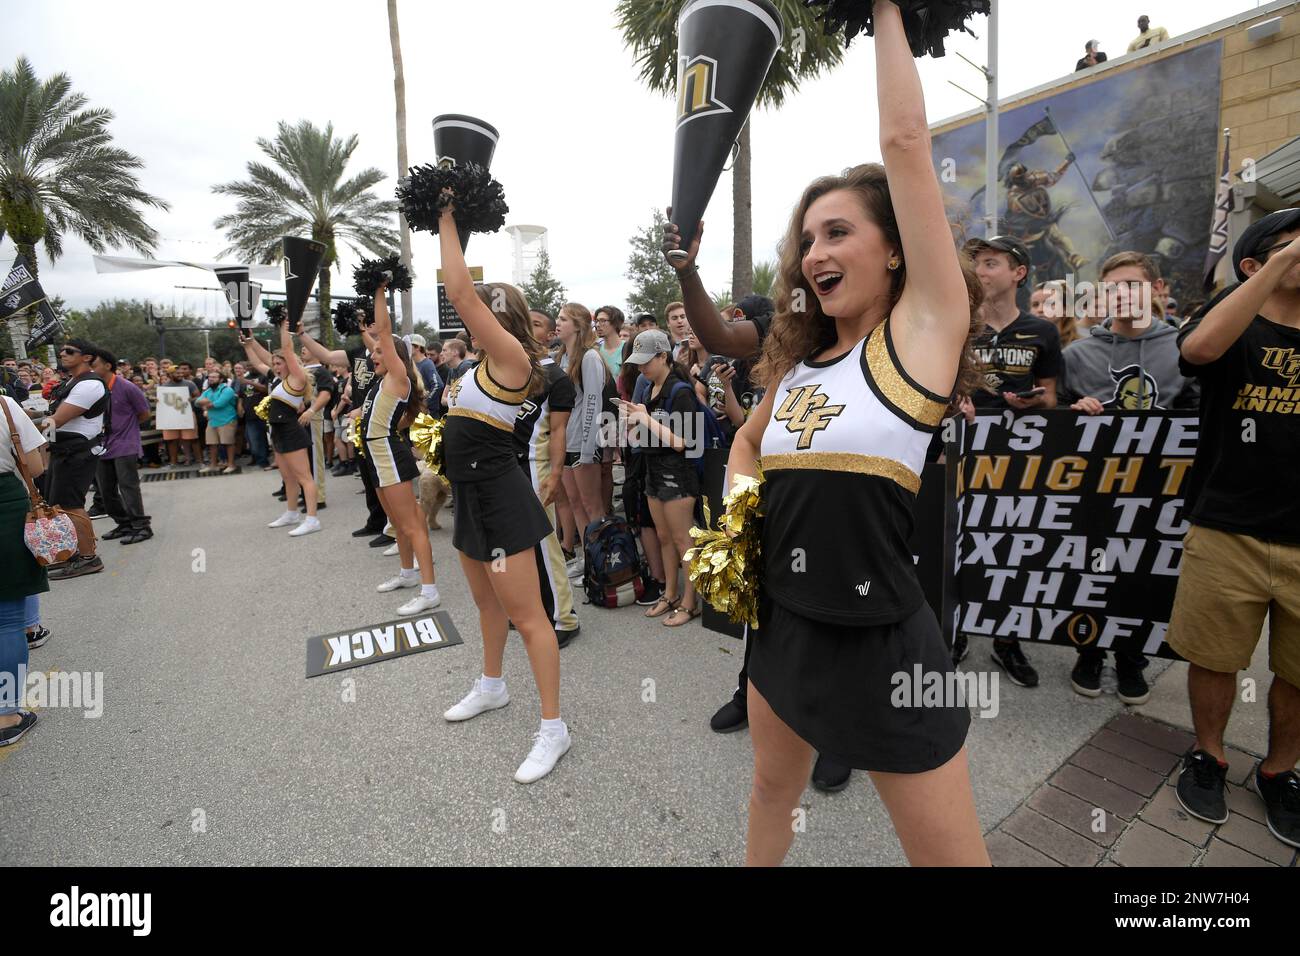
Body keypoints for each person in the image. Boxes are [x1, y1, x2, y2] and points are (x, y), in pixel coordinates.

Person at [669, 4, 988, 866]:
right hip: (782, 626)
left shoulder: (923, 333)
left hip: (884, 642)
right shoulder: (801, 367)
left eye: (838, 231)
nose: (814, 252)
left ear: (894, 251)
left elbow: (907, 141)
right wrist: (740, 526)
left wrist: (884, 7)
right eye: (807, 238)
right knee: (772, 791)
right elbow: (745, 447)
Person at [1168, 209, 1300, 849]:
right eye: (1286, 245)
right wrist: (1277, 268)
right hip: (1228, 527)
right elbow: (1197, 350)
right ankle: (1209, 755)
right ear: (1253, 264)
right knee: (1215, 658)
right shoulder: (1234, 322)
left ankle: (1279, 770)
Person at [436, 198, 569, 785]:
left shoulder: (513, 358)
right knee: (486, 606)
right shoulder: (475, 369)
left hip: (501, 498)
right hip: (467, 494)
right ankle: (491, 686)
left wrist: (446, 219)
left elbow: (461, 293)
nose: (472, 319)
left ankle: (553, 728)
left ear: (502, 319)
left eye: (485, 313)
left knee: (529, 617)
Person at [1061, 251, 1198, 705]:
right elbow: (1052, 428)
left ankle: (1131, 657)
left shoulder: (1187, 348)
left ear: (1157, 290)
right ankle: (1089, 650)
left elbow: (1198, 413)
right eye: (1112, 287)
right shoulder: (1078, 355)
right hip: (1095, 487)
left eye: (1133, 285)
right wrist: (1073, 413)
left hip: (1159, 491)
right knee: (1091, 566)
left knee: (1142, 572)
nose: (1122, 295)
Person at [956, 235, 1062, 683]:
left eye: (991, 262)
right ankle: (956, 629)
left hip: (1021, 456)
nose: (981, 270)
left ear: (1018, 273)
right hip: (967, 452)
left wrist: (1034, 402)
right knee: (960, 541)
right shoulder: (959, 325)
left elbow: (1053, 398)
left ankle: (1007, 641)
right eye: (977, 262)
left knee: (1013, 544)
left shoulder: (1042, 331)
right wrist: (954, 403)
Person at [364, 280, 441, 616]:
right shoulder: (383, 380)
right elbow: (376, 336)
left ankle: (430, 590)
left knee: (410, 523)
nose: (372, 354)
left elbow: (383, 330)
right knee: (397, 521)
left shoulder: (399, 378)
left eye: (379, 351)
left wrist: (379, 291)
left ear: (395, 355)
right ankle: (408, 574)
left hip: (389, 454)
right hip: (376, 454)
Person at [623, 329, 702, 628]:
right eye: (638, 362)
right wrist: (634, 420)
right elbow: (647, 436)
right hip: (653, 470)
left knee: (684, 540)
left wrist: (646, 419)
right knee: (664, 537)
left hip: (676, 473)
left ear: (663, 356)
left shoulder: (679, 390)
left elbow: (684, 441)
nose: (641, 367)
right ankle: (670, 594)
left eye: (646, 361)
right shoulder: (648, 389)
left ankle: (690, 602)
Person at [515, 308, 581, 647]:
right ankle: (535, 608)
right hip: (507, 468)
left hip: (535, 467)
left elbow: (558, 433)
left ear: (549, 333)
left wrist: (555, 475)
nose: (528, 326)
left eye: (537, 323)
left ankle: (564, 617)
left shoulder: (555, 376)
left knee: (544, 543)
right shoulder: (510, 370)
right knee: (520, 545)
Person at [296, 323, 388, 545]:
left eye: (372, 320)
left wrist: (365, 330)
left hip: (380, 420)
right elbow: (325, 355)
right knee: (366, 475)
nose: (367, 324)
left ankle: (391, 527)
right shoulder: (356, 352)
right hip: (358, 420)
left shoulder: (388, 347)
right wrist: (301, 334)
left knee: (382, 477)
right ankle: (375, 520)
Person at [0, 391, 49, 746]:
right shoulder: (4, 405)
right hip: (4, 506)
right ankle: (5, 715)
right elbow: (35, 467)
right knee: (7, 621)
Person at [240, 325, 321, 537]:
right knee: (288, 477)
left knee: (304, 477)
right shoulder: (279, 380)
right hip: (277, 430)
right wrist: (248, 343)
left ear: (289, 363)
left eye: (279, 363)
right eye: (274, 363)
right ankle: (292, 513)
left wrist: (285, 326)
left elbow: (286, 348)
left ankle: (312, 519)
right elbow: (258, 361)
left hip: (291, 430)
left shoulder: (297, 379)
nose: (275, 366)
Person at [45, 339, 108, 580]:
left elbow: (56, 420)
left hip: (78, 451)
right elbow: (51, 417)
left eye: (70, 351)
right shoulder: (72, 381)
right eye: (62, 350)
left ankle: (89, 558)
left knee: (72, 505)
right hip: (64, 450)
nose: (63, 354)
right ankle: (73, 553)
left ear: (87, 357)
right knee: (59, 505)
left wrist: (25, 427)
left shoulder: (90, 384)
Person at [556, 302, 610, 552]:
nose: (557, 323)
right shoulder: (561, 357)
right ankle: (589, 559)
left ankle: (604, 563)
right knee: (575, 502)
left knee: (592, 506)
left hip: (583, 441)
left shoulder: (589, 357)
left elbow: (592, 402)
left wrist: (589, 448)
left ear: (577, 326)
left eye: (563, 319)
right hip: (565, 439)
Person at [89, 348, 152, 546]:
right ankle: (123, 523)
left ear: (108, 366)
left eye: (94, 365)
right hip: (102, 445)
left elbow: (144, 413)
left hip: (125, 444)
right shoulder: (94, 388)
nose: (91, 368)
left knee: (128, 486)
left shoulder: (127, 387)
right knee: (105, 491)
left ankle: (141, 526)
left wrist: (127, 429)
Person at [196, 367, 238, 473]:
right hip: (212, 421)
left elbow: (219, 404)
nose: (211, 379)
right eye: (209, 377)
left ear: (220, 379)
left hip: (227, 420)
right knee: (212, 443)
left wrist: (205, 404)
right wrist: (204, 403)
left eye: (214, 377)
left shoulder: (227, 390)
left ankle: (231, 465)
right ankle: (213, 465)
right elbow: (196, 402)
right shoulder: (208, 391)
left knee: (228, 443)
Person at [594, 306, 625, 378]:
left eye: (603, 321)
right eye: (597, 321)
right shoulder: (596, 351)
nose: (597, 325)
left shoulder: (628, 349)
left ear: (615, 323)